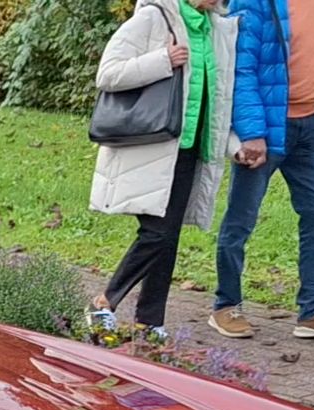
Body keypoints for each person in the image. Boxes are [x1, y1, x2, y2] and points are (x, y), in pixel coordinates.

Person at [209, 0, 314, 340]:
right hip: (267, 128)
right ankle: (226, 305)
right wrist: (252, 132)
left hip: (313, 125)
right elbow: (241, 67)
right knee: (241, 219)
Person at [88, 0, 238, 342]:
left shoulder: (215, 28)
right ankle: (103, 302)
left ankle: (150, 323)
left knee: (167, 238)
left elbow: (217, 99)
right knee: (156, 234)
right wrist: (162, 61)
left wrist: (233, 145)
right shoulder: (153, 17)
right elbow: (108, 73)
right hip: (153, 146)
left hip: (189, 150)